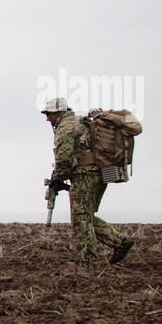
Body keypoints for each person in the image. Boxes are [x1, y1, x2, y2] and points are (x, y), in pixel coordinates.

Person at [42, 98, 133, 269]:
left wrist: (58, 179)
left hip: (85, 174)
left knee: (79, 219)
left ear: (58, 112)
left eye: (49, 114)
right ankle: (119, 242)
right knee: (85, 216)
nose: (47, 119)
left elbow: (62, 157)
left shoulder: (66, 126)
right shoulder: (79, 122)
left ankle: (91, 264)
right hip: (97, 172)